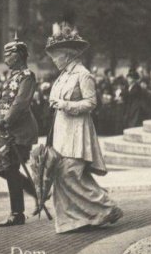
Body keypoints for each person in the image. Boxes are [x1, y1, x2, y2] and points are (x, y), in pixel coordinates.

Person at [45, 21, 122, 233]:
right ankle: (74, 218)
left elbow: (91, 103)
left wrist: (66, 105)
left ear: (67, 55)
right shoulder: (62, 76)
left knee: (70, 173)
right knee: (62, 175)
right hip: (62, 130)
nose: (54, 61)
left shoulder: (83, 74)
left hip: (77, 131)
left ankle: (106, 208)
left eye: (56, 56)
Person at [0, 35, 39, 227]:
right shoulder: (11, 75)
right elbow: (3, 102)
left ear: (19, 55)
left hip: (18, 131)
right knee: (1, 169)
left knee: (11, 169)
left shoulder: (27, 76)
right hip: (4, 130)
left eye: (9, 53)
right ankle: (36, 190)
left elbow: (21, 102)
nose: (5, 57)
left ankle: (17, 213)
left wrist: (6, 121)